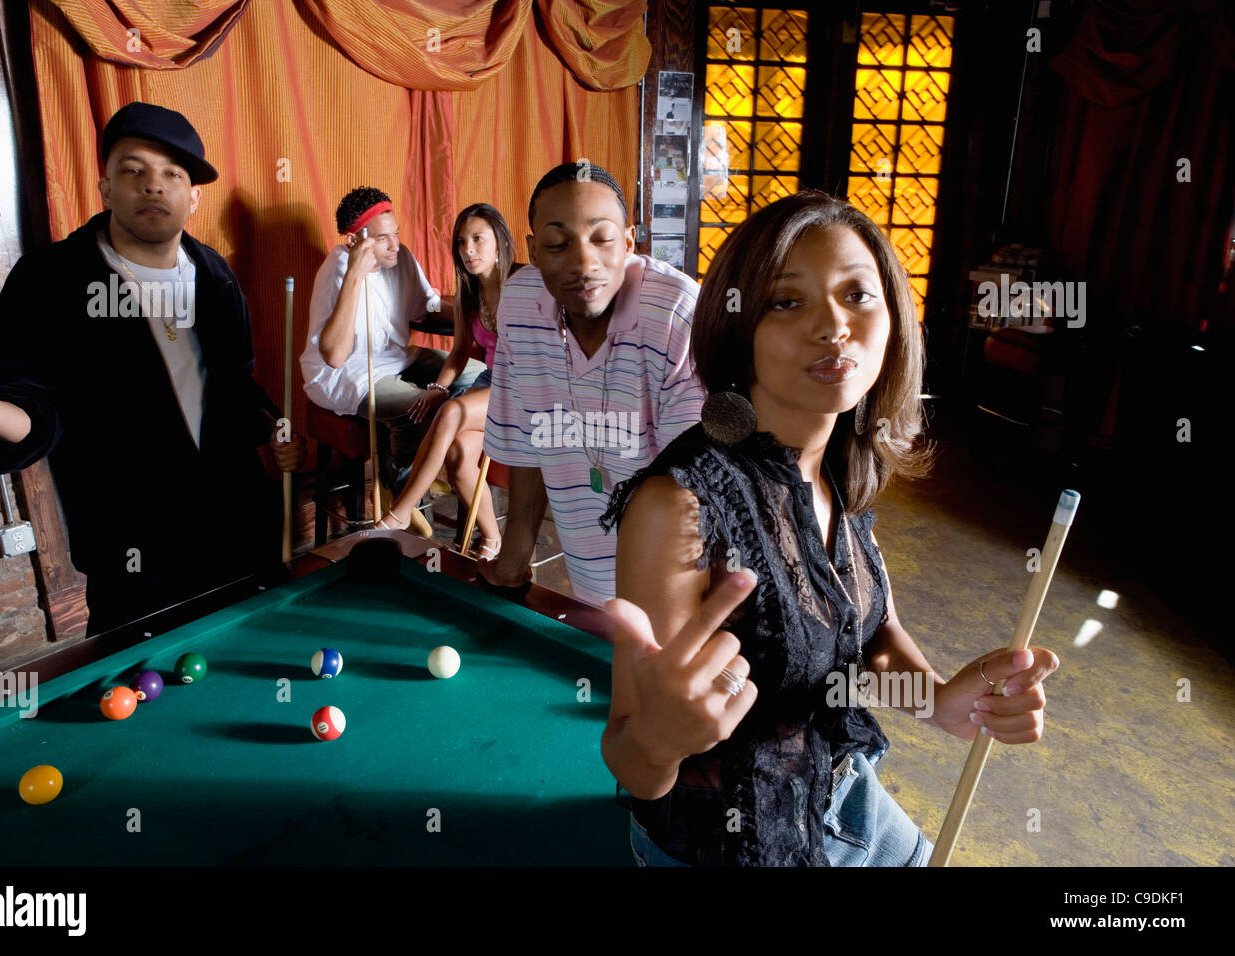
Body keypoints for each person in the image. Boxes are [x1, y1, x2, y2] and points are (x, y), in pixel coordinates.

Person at [599, 190, 1061, 866]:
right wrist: (659, 741)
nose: (834, 326)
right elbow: (635, 764)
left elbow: (868, 637)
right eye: (789, 302)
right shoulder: (679, 506)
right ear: (739, 329)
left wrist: (940, 701)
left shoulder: (838, 465)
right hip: (729, 843)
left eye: (857, 296)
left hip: (842, 799)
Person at [0, 102, 303, 635]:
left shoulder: (214, 274)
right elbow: (36, 412)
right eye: (133, 171)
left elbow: (235, 384)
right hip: (137, 557)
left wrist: (272, 425)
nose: (154, 185)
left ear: (193, 197)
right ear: (106, 188)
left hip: (240, 533)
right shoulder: (50, 280)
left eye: (172, 174)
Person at [479, 162, 705, 607]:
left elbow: (690, 490)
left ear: (628, 241)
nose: (584, 263)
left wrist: (661, 606)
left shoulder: (675, 313)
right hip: (589, 577)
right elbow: (530, 444)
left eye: (602, 239)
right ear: (534, 250)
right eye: (558, 244)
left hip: (681, 582)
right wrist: (513, 558)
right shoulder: (520, 307)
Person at [301, 187, 483, 504]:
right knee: (420, 408)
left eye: (395, 233)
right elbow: (335, 356)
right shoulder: (338, 270)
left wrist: (481, 310)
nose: (394, 245)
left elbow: (427, 306)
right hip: (347, 375)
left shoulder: (399, 258)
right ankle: (400, 484)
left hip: (396, 359)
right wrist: (356, 276)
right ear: (355, 240)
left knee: (478, 376)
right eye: (383, 238)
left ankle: (443, 462)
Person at [375, 204, 522, 558]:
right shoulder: (468, 293)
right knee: (457, 454)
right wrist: (438, 388)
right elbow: (459, 353)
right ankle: (491, 539)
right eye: (461, 242)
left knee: (453, 411)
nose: (468, 250)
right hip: (491, 381)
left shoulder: (523, 283)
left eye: (478, 239)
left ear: (500, 241)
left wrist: (446, 398)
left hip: (525, 385)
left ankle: (396, 514)